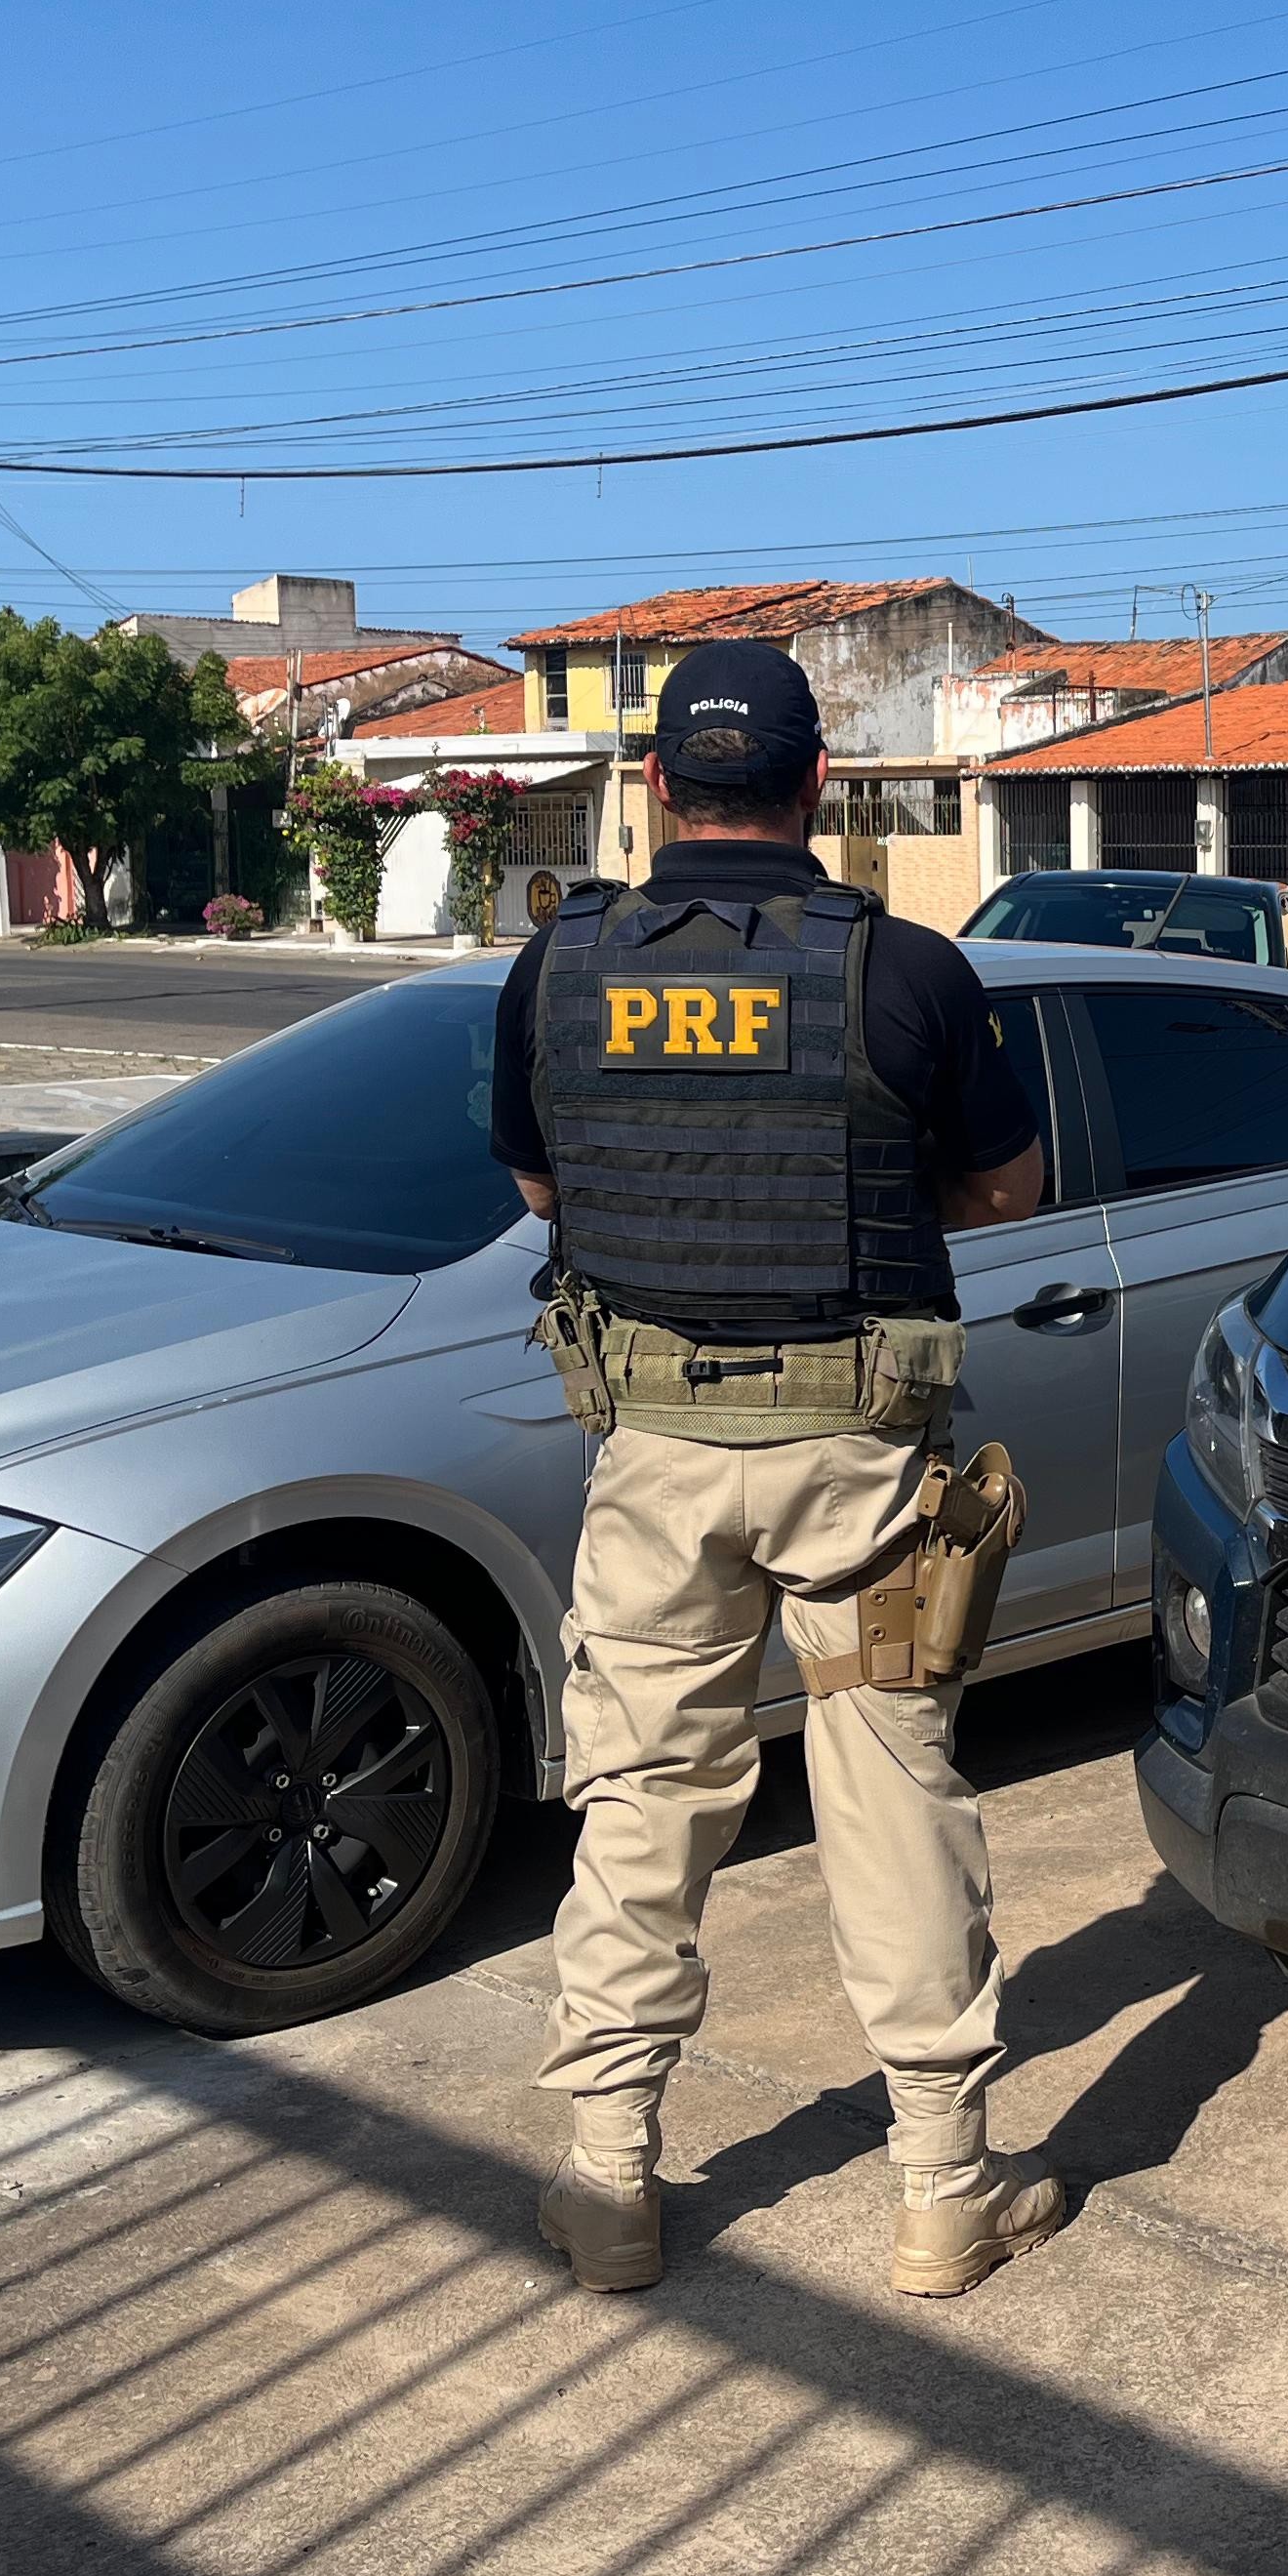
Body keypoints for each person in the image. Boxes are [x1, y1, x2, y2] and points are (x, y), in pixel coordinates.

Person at [492, 638, 1060, 2300]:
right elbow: (1009, 1193)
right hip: (861, 1459)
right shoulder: (909, 969)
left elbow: (539, 1194)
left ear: (657, 785)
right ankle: (945, 2193)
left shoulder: (556, 968)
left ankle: (609, 2188)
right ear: (820, 786)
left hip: (656, 1455)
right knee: (891, 1798)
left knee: (642, 1812)